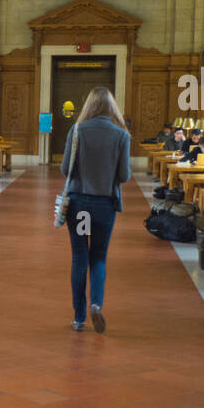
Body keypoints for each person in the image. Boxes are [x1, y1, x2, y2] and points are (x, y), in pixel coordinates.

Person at [60, 86, 131, 334]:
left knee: (80, 256)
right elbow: (124, 175)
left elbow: (65, 169)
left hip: (80, 205)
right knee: (99, 257)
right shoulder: (121, 135)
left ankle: (79, 318)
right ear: (112, 108)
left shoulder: (77, 130)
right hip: (105, 205)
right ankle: (96, 304)